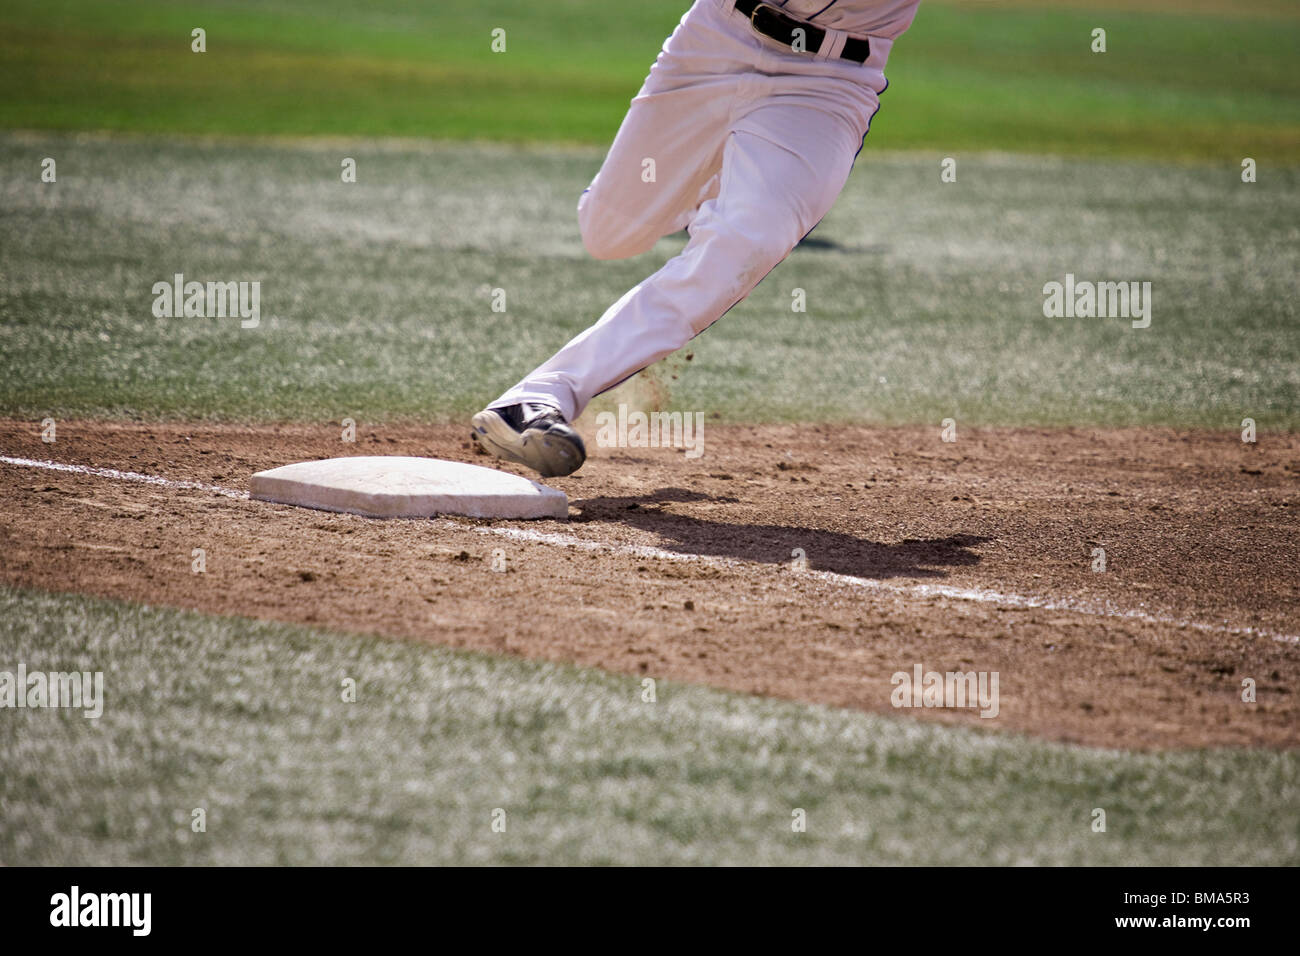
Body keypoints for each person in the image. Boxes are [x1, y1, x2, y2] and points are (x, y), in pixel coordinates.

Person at [471, 0, 921, 477]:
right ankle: (722, 184)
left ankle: (540, 395)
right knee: (608, 233)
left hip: (826, 85)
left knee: (743, 243)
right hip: (719, 36)